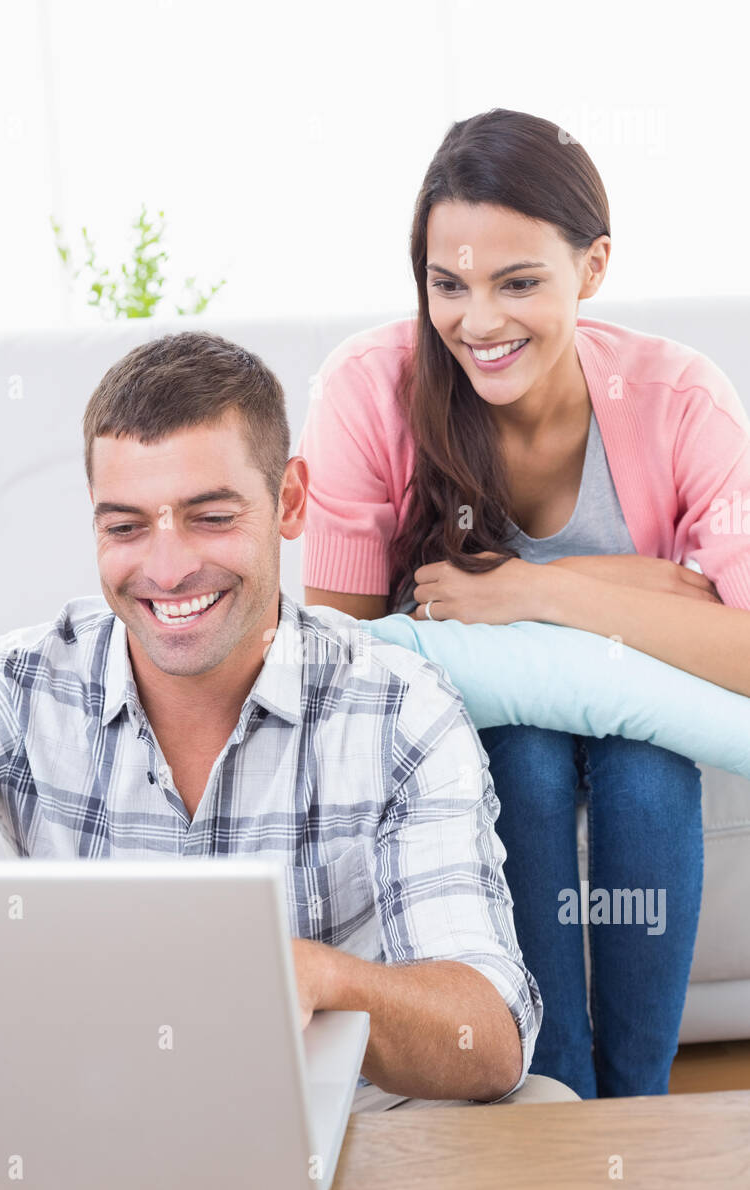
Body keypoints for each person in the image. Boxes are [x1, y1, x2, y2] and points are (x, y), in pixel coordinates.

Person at [0, 328, 576, 1112]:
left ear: (288, 502)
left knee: (543, 1107)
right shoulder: (9, 691)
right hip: (87, 1122)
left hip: (348, 1136)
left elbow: (488, 1036)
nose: (168, 567)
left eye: (211, 517)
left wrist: (321, 980)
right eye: (125, 526)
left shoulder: (399, 711)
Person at [298, 108, 750, 1100]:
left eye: (517, 283)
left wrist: (542, 590)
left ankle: (634, 1101)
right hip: (484, 724)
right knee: (525, 765)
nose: (478, 322)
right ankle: (553, 1098)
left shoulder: (678, 399)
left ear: (590, 269)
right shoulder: (369, 391)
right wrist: (643, 581)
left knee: (642, 772)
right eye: (446, 285)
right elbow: (333, 649)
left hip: (637, 724)